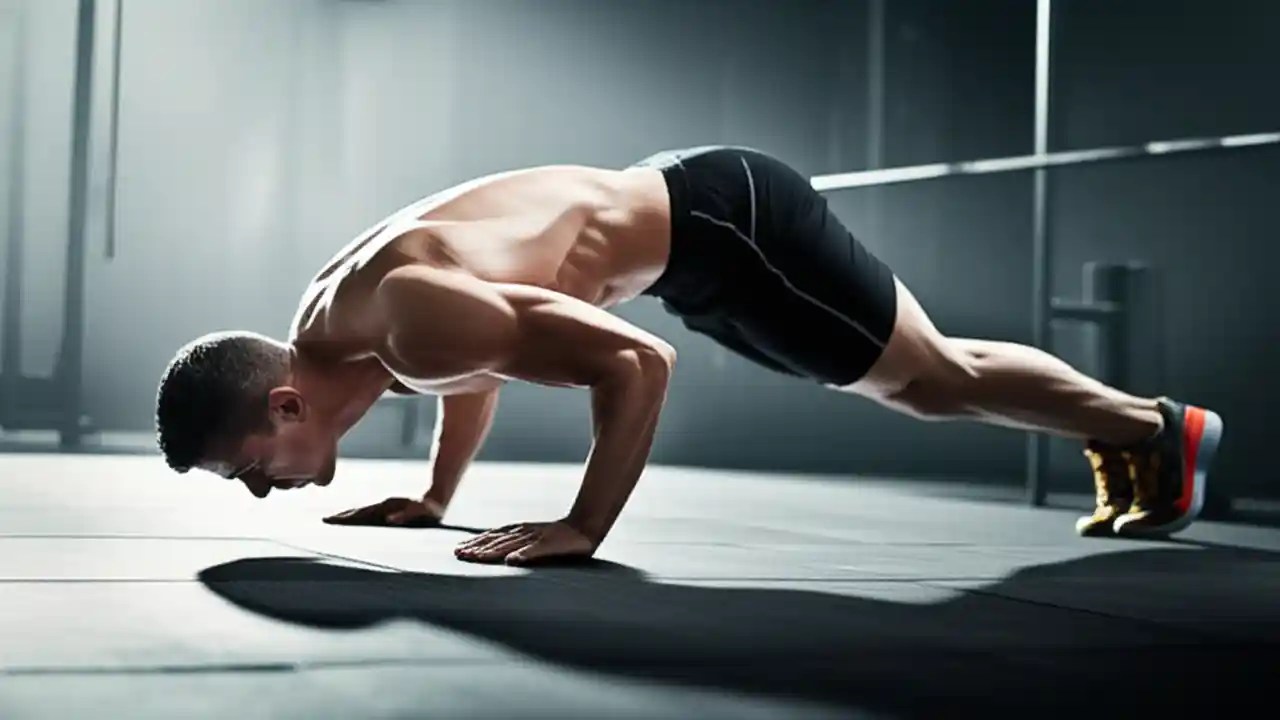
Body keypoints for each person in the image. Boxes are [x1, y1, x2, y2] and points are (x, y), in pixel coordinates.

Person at [155, 145, 1223, 565]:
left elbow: (636, 367)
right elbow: (471, 363)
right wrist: (438, 499)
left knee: (932, 386)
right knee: (927, 381)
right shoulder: (347, 328)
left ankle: (1154, 429)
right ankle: (1139, 430)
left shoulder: (403, 321)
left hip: (723, 230)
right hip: (690, 239)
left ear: (287, 407)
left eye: (247, 467)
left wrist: (581, 528)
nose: (259, 492)